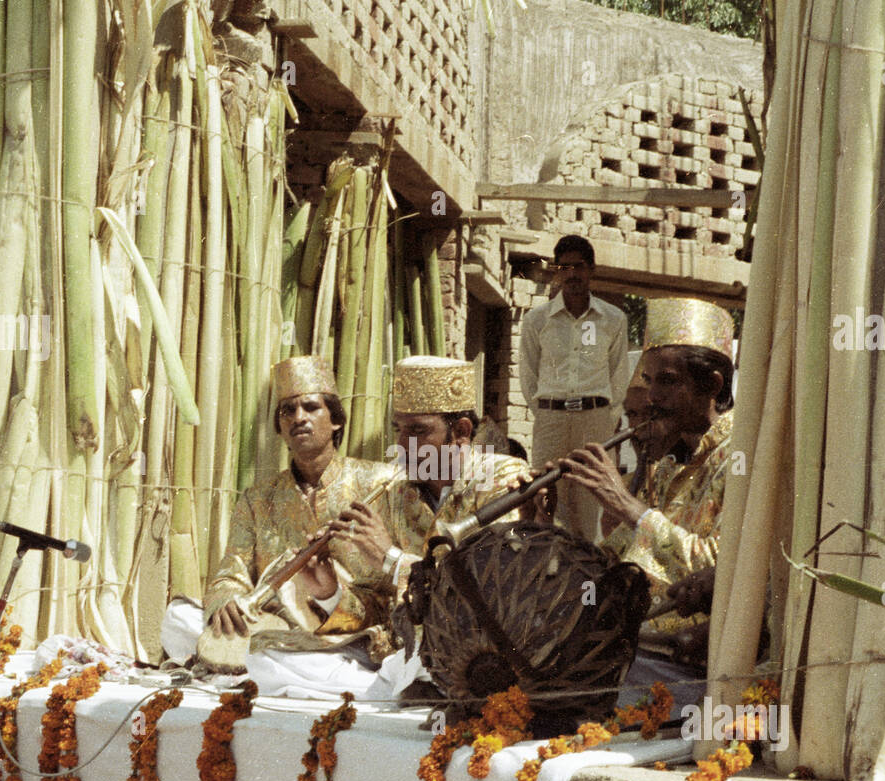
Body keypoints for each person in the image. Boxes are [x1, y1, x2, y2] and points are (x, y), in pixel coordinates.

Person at [553, 297, 736, 678]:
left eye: (668, 382)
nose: (652, 398)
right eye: (650, 382)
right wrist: (541, 526)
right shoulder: (670, 466)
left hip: (691, 663)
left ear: (713, 386)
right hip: (639, 649)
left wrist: (627, 505)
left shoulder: (741, 456)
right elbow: (611, 563)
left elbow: (724, 573)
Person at [196, 356, 397, 649]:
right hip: (274, 631)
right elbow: (232, 573)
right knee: (181, 617)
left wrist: (333, 596)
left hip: (352, 635)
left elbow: (403, 581)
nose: (299, 417)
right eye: (287, 411)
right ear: (279, 427)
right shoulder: (257, 498)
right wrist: (226, 601)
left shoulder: (381, 483)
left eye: (312, 407)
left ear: (337, 420)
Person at [328, 356, 532, 594]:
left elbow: (491, 582)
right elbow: (383, 604)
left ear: (460, 431)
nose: (402, 445)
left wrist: (391, 560)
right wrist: (328, 592)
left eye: (417, 430)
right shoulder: (396, 492)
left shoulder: (502, 476)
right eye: (399, 430)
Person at [519, 235, 630, 542]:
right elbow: (528, 376)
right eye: (564, 267)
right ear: (557, 271)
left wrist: (604, 420)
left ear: (591, 269)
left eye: (578, 266)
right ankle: (545, 573)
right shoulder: (537, 320)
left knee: (590, 500)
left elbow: (618, 375)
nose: (572, 274)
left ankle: (588, 581)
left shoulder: (612, 318)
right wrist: (545, 412)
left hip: (594, 419)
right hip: (550, 419)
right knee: (546, 496)